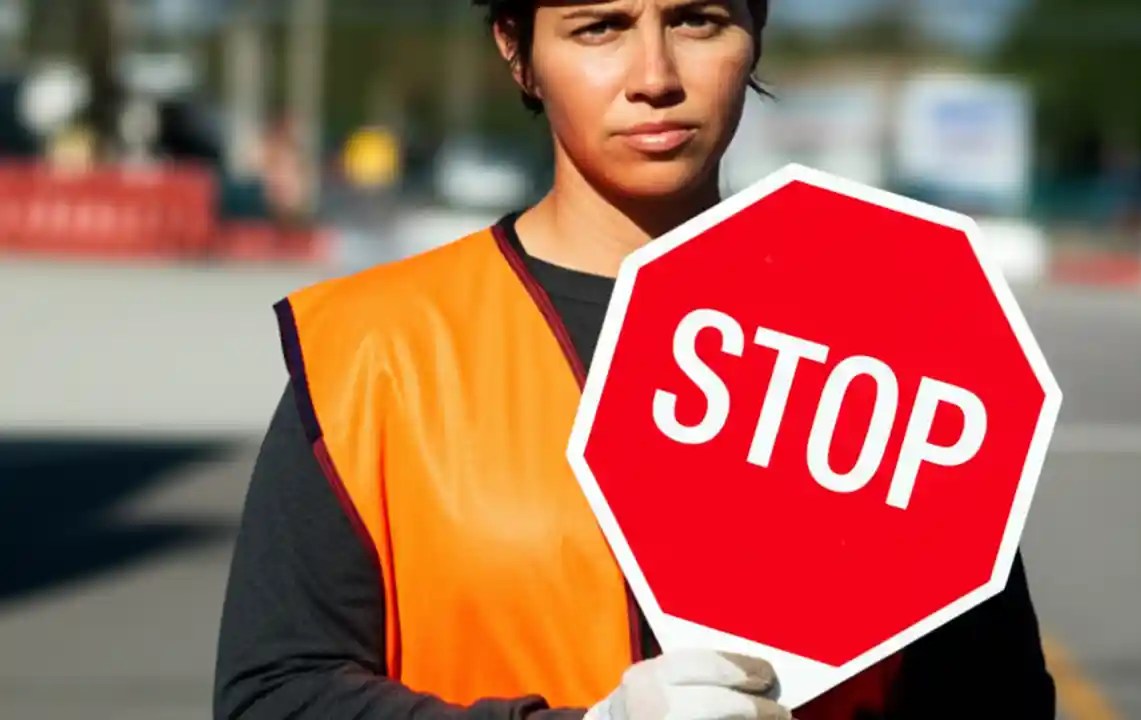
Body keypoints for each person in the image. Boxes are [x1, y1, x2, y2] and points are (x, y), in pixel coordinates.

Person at [212, 2, 1057, 718]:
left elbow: (995, 696)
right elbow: (275, 696)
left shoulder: (889, 342)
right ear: (518, 51)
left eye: (696, 20)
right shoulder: (372, 349)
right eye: (599, 29)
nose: (655, 75)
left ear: (754, 30)